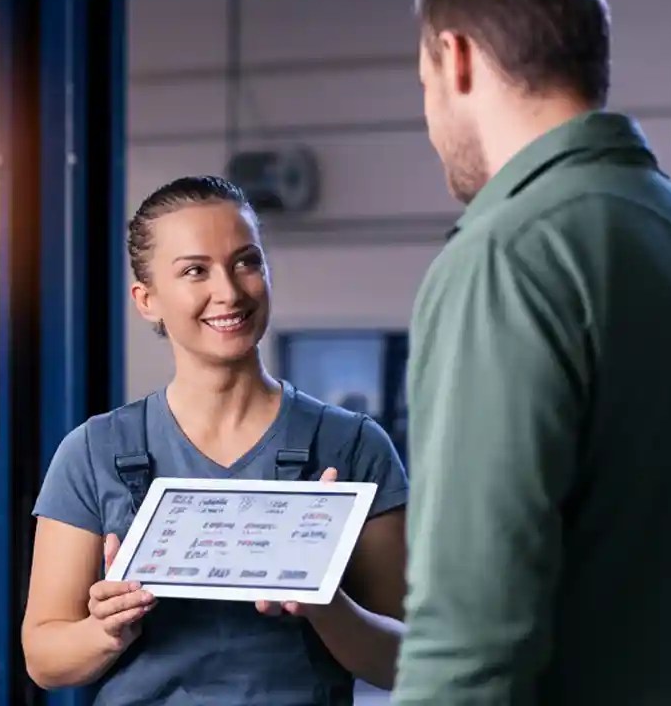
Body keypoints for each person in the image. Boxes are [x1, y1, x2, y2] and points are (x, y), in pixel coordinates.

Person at [394, 0, 671, 705]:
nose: (428, 123)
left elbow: (471, 632)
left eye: (423, 85)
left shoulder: (510, 256)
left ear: (456, 59)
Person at [22, 175, 409, 705]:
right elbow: (43, 658)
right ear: (146, 300)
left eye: (247, 262)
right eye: (195, 271)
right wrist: (105, 630)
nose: (229, 291)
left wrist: (325, 603)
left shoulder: (352, 446)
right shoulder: (94, 452)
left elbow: (404, 658)